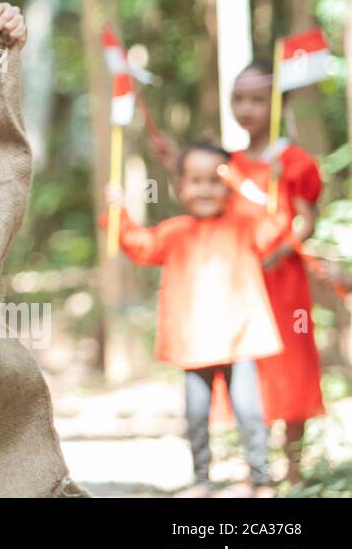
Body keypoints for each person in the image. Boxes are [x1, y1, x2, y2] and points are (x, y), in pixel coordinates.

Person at [104, 140, 286, 497]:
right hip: (194, 342)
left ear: (227, 186)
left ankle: (261, 479)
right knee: (196, 417)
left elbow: (274, 224)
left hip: (240, 339)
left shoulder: (244, 225)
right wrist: (119, 213)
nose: (205, 189)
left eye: (215, 180)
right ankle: (202, 479)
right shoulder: (175, 231)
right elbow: (140, 245)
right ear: (181, 186)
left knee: (250, 414)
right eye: (196, 180)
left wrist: (250, 180)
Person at [224, 60, 325, 484]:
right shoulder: (227, 164)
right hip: (242, 285)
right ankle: (257, 466)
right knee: (250, 368)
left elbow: (307, 218)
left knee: (292, 362)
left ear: (277, 104)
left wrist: (283, 249)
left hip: (283, 283)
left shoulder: (294, 161)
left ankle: (295, 465)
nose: (246, 108)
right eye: (239, 99)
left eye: (257, 100)